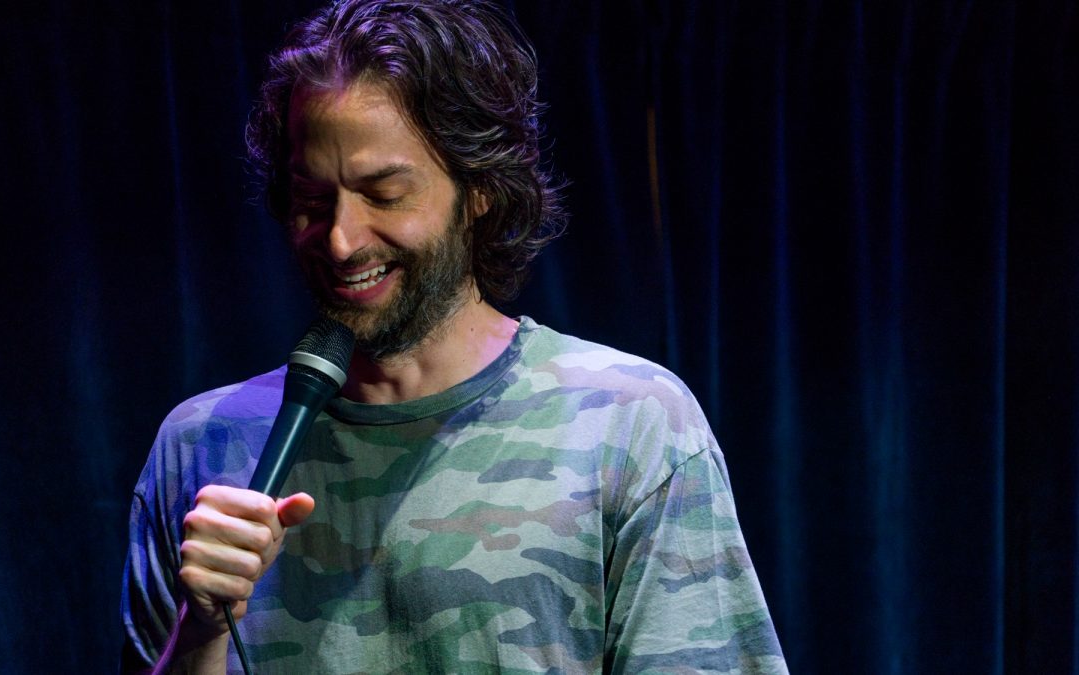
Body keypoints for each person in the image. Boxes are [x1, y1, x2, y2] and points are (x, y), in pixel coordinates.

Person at [121, 1, 787, 672]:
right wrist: (200, 632)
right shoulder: (201, 445)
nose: (341, 241)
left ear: (480, 189)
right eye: (313, 200)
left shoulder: (627, 422)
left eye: (384, 194)